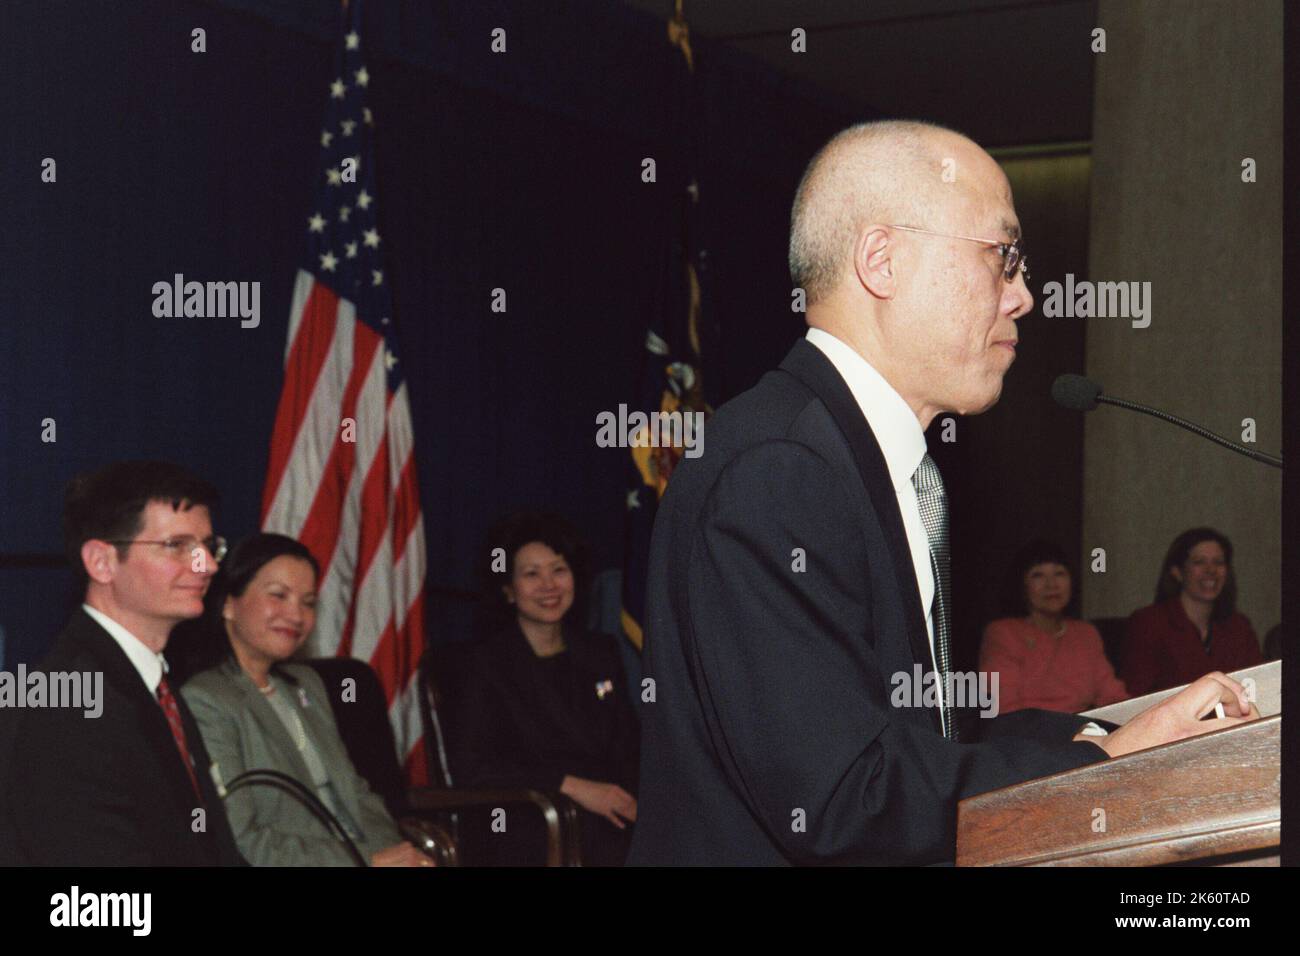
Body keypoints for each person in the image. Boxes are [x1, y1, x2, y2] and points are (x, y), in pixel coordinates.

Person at [628, 120, 1258, 866]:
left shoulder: (854, 455)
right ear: (882, 261)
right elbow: (846, 799)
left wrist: (1106, 732)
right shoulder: (776, 471)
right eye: (1005, 257)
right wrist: (1105, 765)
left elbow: (914, 738)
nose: (1023, 296)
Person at [0, 461, 245, 865]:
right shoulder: (64, 706)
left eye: (207, 546)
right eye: (178, 546)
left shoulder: (152, 683)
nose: (209, 566)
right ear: (102, 562)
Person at [176, 533, 430, 867]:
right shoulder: (206, 699)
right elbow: (242, 839)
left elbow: (357, 794)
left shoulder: (306, 686)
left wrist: (395, 854)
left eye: (308, 602)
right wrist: (366, 861)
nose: (296, 615)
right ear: (228, 604)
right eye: (279, 596)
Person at [453, 511, 640, 866]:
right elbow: (472, 768)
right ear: (508, 590)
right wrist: (571, 785)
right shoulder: (485, 664)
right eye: (531, 574)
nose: (549, 586)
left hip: (609, 813)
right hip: (529, 818)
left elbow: (629, 744)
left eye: (558, 570)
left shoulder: (601, 652)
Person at [979, 539, 1127, 716]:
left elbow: (1113, 696)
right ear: (1022, 585)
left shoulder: (1085, 633)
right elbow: (1004, 707)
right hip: (1027, 735)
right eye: (1038, 575)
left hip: (1085, 729)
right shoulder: (1004, 633)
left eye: (1059, 574)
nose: (1051, 585)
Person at [1121, 528, 1264, 696]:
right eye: (1199, 562)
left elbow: (1257, 687)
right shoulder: (1149, 623)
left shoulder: (1239, 626)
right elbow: (1134, 696)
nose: (1211, 570)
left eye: (1218, 562)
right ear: (1177, 572)